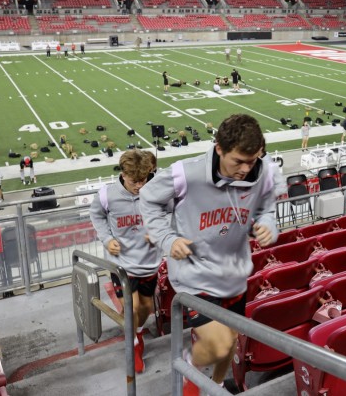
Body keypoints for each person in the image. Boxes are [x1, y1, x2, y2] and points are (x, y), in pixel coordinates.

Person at [140, 114, 278, 395]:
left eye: (251, 161)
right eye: (238, 161)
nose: (245, 169)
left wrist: (267, 224)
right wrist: (167, 238)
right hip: (196, 276)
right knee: (219, 343)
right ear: (219, 149)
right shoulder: (185, 174)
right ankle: (190, 366)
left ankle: (213, 385)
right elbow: (147, 198)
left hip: (234, 273)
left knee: (231, 340)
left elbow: (267, 206)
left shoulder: (261, 172)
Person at [90, 150, 159, 374]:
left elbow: (171, 212)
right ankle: (134, 344)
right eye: (134, 181)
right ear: (123, 174)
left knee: (147, 307)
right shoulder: (107, 195)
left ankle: (135, 331)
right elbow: (97, 215)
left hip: (149, 262)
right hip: (122, 265)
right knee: (133, 306)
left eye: (143, 180)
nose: (139, 186)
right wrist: (108, 239)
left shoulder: (157, 189)